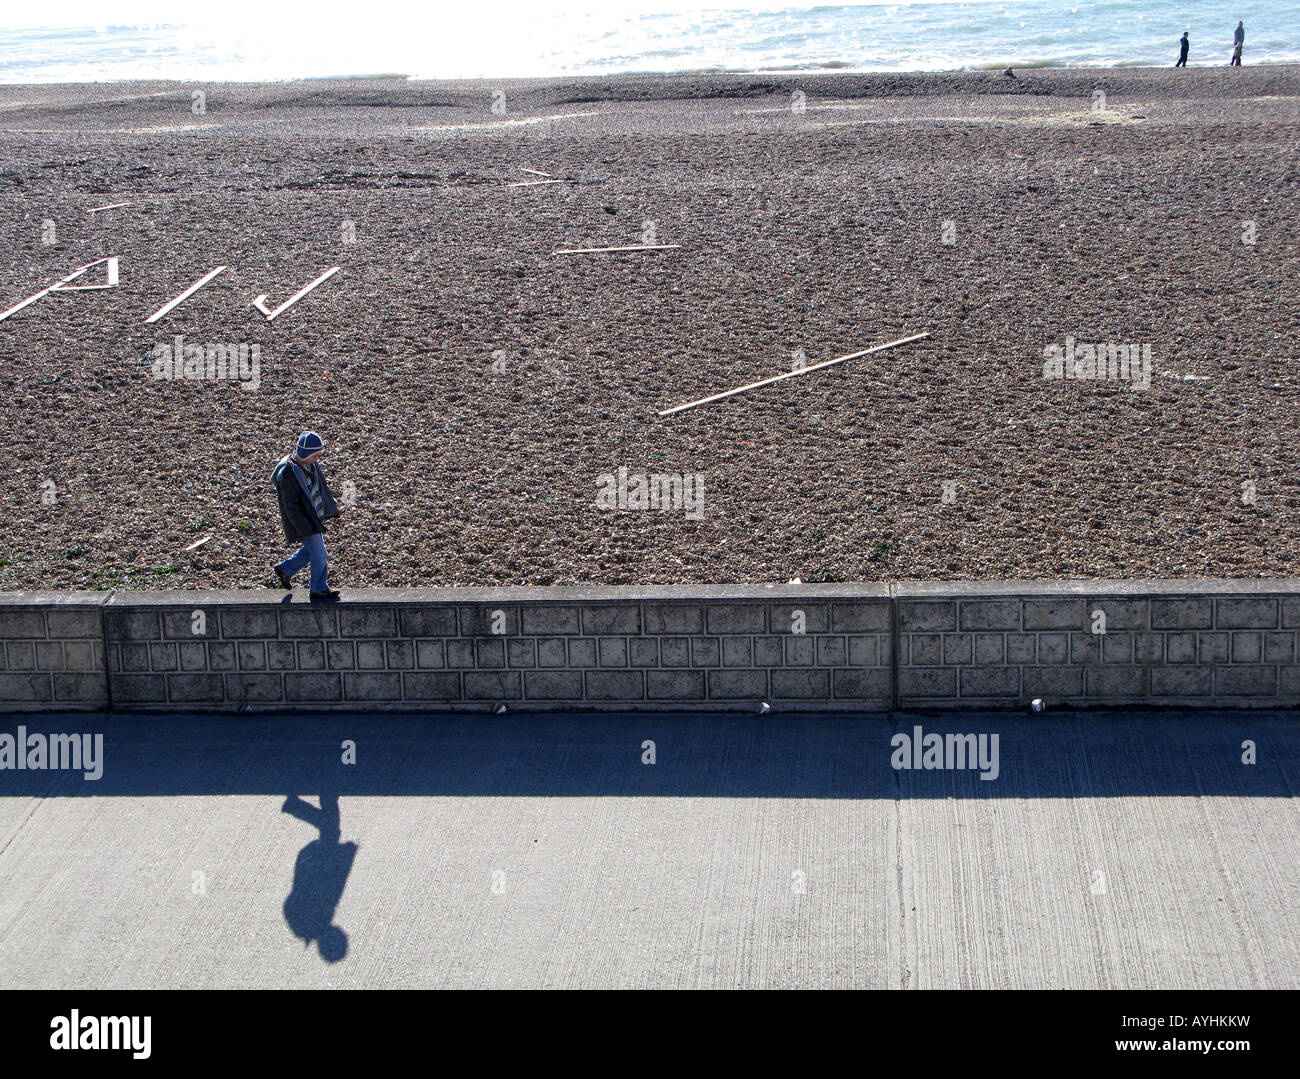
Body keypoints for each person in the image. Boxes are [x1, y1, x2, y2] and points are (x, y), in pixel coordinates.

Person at [270, 431, 341, 603]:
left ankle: (285, 569)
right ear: (305, 454)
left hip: (313, 517)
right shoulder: (288, 473)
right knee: (320, 554)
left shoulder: (309, 465)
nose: (316, 459)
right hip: (305, 523)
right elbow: (291, 506)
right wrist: (303, 527)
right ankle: (318, 590)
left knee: (312, 551)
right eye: (314, 455)